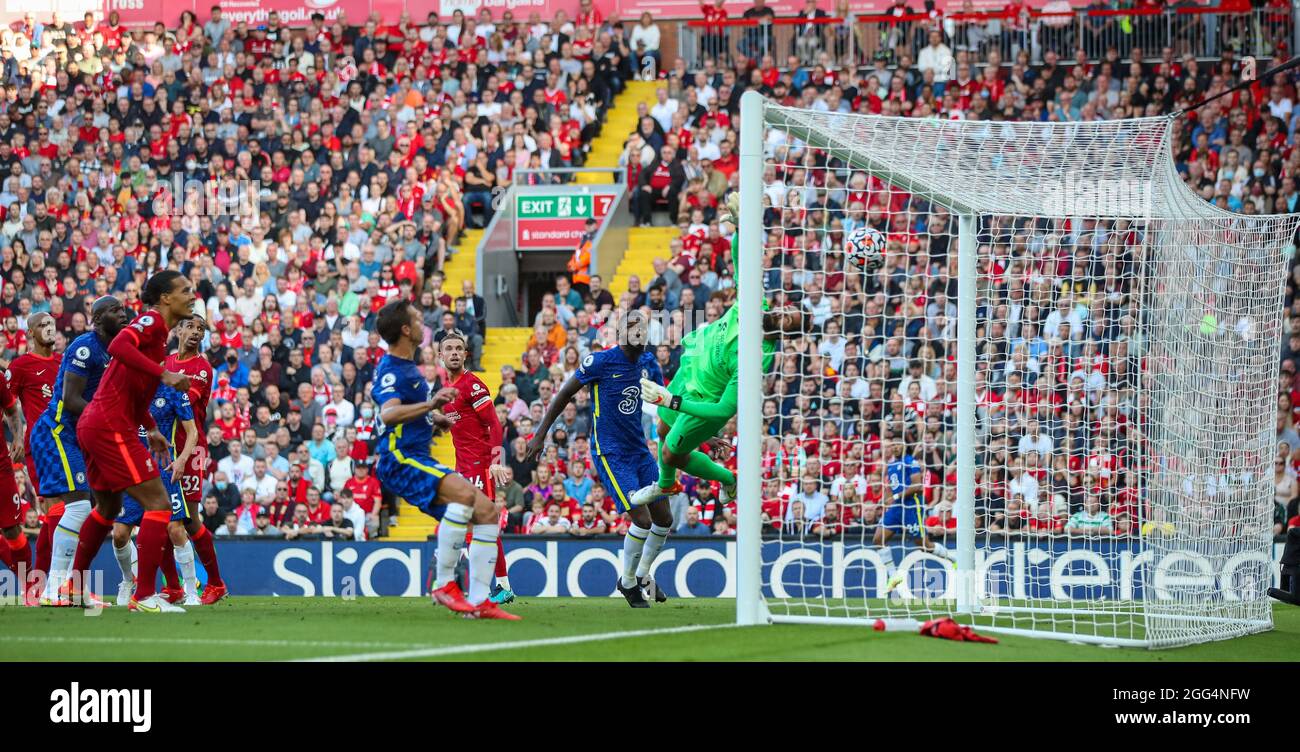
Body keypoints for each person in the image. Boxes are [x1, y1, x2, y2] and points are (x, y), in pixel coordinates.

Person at [371, 299, 518, 619]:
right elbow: (389, 413)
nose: (423, 319)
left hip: (425, 455)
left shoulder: (411, 368)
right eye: (417, 317)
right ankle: (444, 584)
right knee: (469, 501)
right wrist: (431, 407)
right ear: (407, 330)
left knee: (484, 513)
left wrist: (432, 419)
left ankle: (480, 601)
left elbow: (492, 422)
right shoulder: (394, 370)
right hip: (400, 457)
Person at [65, 271, 196, 613]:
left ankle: (73, 587)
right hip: (110, 426)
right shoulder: (151, 320)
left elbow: (136, 393)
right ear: (166, 298)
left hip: (97, 424)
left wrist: (151, 427)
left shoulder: (159, 334)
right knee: (159, 503)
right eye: (185, 291)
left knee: (107, 508)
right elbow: (120, 345)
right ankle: (145, 596)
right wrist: (164, 373)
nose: (192, 296)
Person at [527, 309, 672, 607]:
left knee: (665, 518)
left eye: (643, 328)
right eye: (632, 327)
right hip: (611, 452)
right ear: (620, 334)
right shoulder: (601, 362)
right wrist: (541, 433)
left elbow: (665, 404)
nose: (639, 332)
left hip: (640, 451)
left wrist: (702, 434)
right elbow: (565, 393)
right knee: (642, 519)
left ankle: (643, 575)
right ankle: (628, 583)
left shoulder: (648, 364)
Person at [29, 296, 128, 607]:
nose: (122, 313)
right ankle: (53, 590)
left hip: (84, 436)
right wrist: (107, 424)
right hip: (59, 431)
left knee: (102, 509)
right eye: (114, 310)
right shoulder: (85, 348)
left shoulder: (117, 351)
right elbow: (71, 399)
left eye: (123, 308)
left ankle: (76, 588)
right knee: (79, 508)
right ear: (97, 319)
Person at [437, 330, 512, 603]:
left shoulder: (473, 384)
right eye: (450, 349)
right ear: (440, 355)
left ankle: (492, 586)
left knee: (480, 523)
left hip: (481, 464)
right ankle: (495, 585)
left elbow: (493, 423)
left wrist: (496, 462)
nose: (455, 352)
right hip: (463, 466)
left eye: (459, 348)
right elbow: (456, 426)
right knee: (477, 525)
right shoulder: (445, 392)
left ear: (466, 354)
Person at [109, 380, 199, 606]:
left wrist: (182, 459)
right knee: (119, 533)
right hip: (132, 470)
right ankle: (128, 580)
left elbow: (192, 432)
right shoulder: (126, 385)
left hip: (164, 469)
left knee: (174, 529)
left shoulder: (173, 389)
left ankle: (191, 591)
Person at [166, 314, 226, 604]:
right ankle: (174, 587)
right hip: (164, 448)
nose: (195, 332)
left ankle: (215, 582)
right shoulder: (165, 363)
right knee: (161, 516)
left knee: (188, 519)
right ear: (178, 329)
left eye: (200, 329)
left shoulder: (202, 369)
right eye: (190, 326)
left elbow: (182, 401)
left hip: (190, 448)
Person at [5, 311, 58, 602]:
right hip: (41, 447)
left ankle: (49, 585)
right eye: (43, 325)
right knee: (56, 513)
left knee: (67, 515)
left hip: (69, 447)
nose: (50, 329)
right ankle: (39, 587)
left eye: (52, 324)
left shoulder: (64, 363)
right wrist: (14, 436)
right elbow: (7, 404)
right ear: (30, 333)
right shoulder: (21, 366)